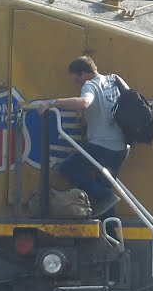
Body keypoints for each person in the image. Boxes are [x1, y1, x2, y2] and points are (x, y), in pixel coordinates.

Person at [31, 56, 128, 218]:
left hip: (102, 145)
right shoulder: (113, 80)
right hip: (121, 147)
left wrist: (52, 103)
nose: (78, 84)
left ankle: (104, 195)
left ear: (83, 73)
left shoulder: (90, 85)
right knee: (106, 190)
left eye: (77, 79)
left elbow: (84, 103)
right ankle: (111, 230)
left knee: (68, 168)